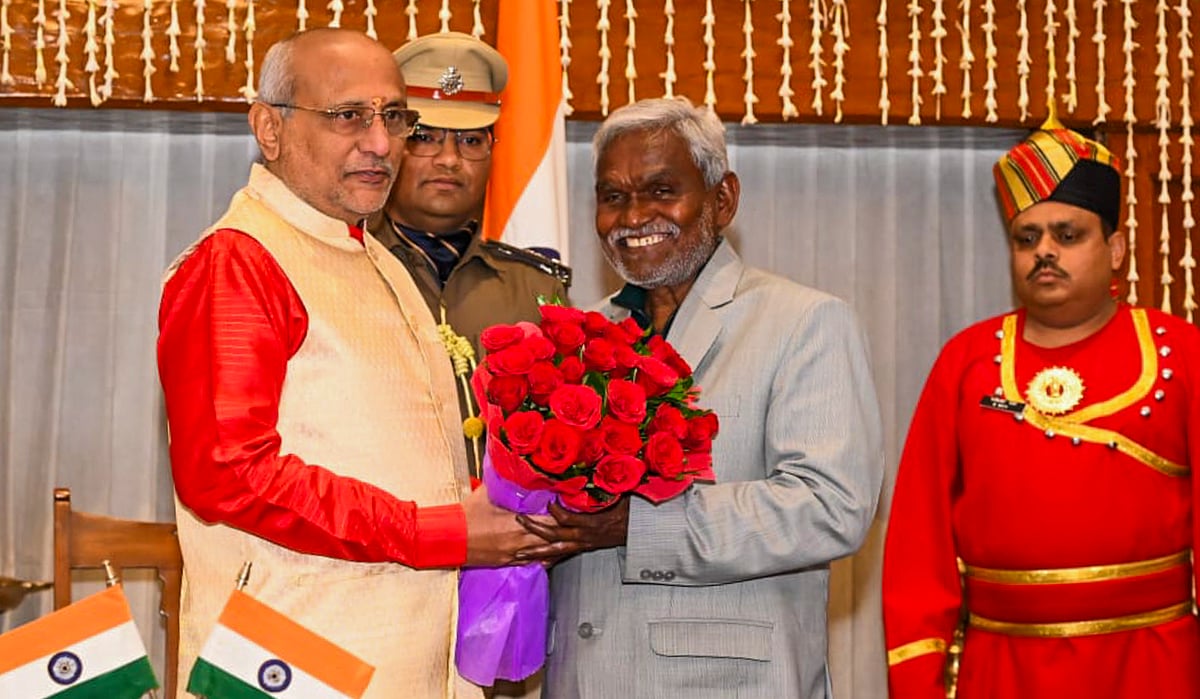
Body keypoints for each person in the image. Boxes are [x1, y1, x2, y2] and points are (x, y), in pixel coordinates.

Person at [157, 28, 546, 699]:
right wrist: (442, 533)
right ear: (269, 128)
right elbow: (228, 474)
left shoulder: (372, 255)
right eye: (348, 116)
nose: (380, 142)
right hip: (291, 667)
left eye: (393, 117)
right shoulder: (240, 261)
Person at [516, 97, 885, 698]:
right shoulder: (576, 340)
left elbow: (831, 507)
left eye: (662, 190)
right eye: (613, 197)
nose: (634, 216)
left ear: (722, 199)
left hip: (727, 683)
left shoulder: (805, 321)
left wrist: (639, 526)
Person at [882, 115, 1200, 698]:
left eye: (1068, 235)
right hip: (1003, 670)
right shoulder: (965, 361)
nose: (1044, 252)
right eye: (1027, 239)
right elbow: (917, 542)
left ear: (1117, 248)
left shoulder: (1182, 354)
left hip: (1153, 664)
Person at [371, 31, 570, 479]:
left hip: (508, 538)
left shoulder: (537, 288)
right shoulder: (349, 270)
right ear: (393, 142)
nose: (449, 159)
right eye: (426, 137)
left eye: (471, 141)